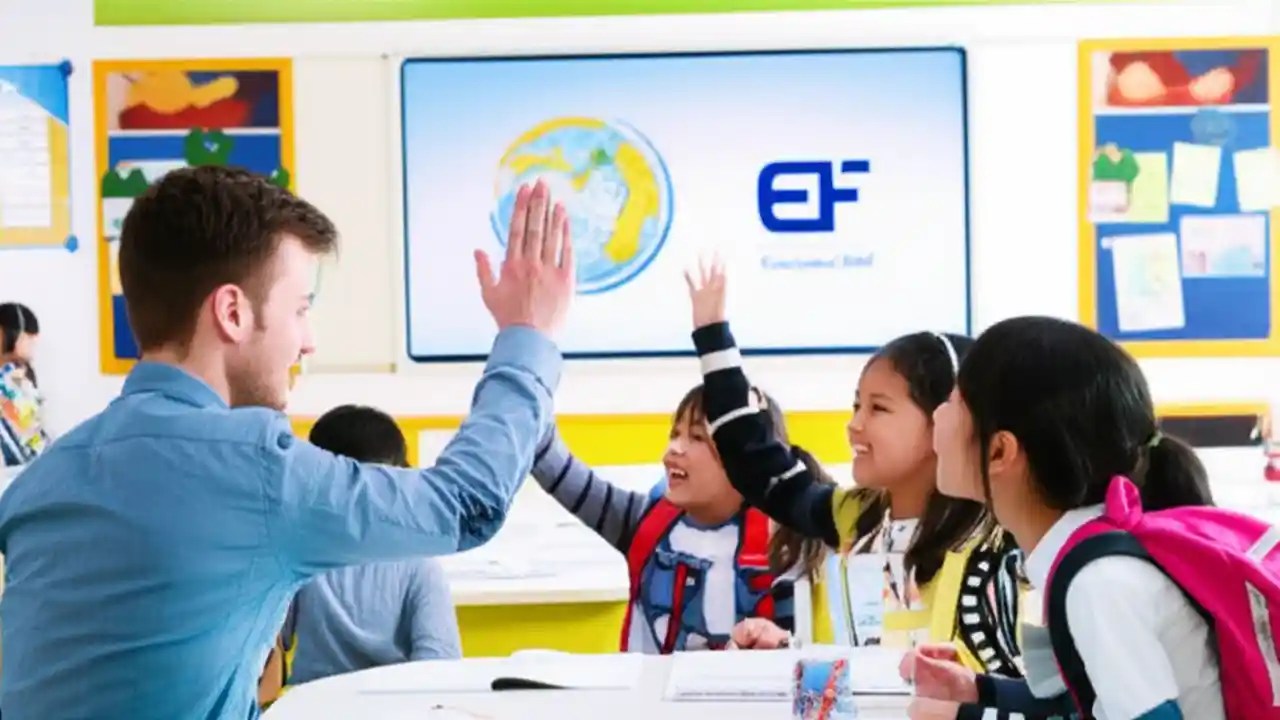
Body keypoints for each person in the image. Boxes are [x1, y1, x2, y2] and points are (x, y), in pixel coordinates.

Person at [0, 168, 574, 720]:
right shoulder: (256, 469)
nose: (308, 341)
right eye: (300, 309)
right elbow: (466, 504)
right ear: (232, 313)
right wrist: (528, 336)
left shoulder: (44, 480)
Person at [683, 260, 1023, 679]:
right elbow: (754, 460)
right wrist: (790, 651)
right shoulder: (853, 517)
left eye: (878, 408)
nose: (854, 425)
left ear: (946, 419)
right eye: (856, 405)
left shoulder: (1000, 540)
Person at [907, 315, 1220, 720]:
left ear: (1000, 451)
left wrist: (966, 717)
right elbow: (1090, 702)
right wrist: (978, 690)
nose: (937, 416)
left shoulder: (1099, 582)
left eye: (952, 401)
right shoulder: (1087, 556)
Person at [530, 385, 830, 652]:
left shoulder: (787, 544)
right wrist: (526, 394)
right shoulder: (643, 522)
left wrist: (779, 642)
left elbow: (811, 661)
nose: (673, 449)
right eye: (675, 434)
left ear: (749, 460)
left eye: (697, 437)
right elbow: (551, 463)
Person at [280, 404, 462, 687]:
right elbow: (439, 664)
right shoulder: (419, 563)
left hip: (315, 700)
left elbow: (266, 643)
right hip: (391, 702)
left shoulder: (296, 554)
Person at [0, 302, 49, 466]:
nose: (33, 345)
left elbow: (34, 445)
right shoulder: (12, 379)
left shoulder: (15, 379)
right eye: (29, 338)